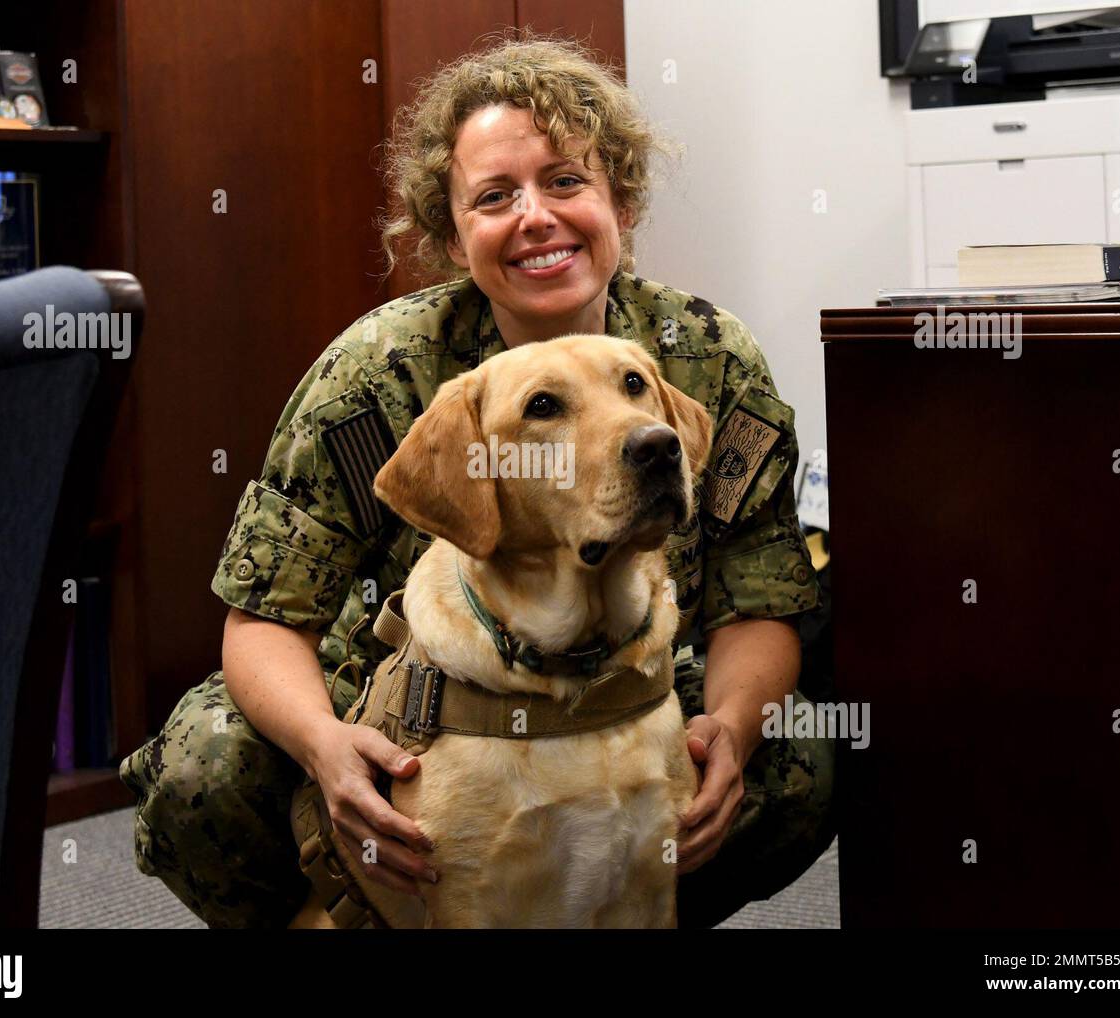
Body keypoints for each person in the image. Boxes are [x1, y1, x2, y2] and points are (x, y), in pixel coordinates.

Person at [119, 33, 835, 929]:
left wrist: (727, 730)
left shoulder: (705, 356)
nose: (536, 217)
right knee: (205, 769)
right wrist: (329, 753)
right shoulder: (376, 370)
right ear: (453, 238)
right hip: (396, 705)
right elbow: (263, 619)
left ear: (620, 202)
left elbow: (759, 598)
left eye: (567, 181)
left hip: (636, 685)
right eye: (495, 197)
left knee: (801, 752)